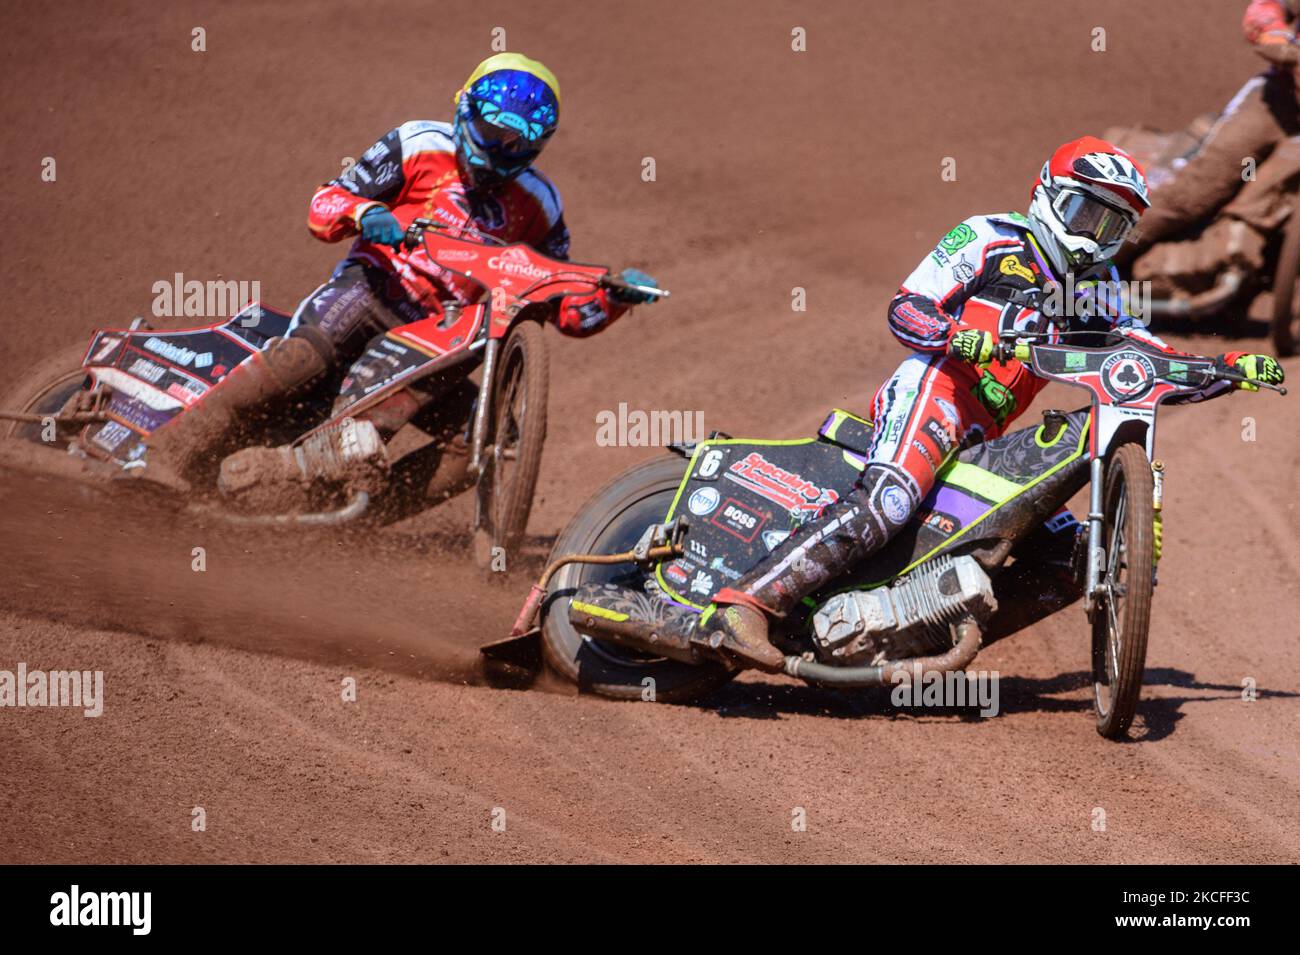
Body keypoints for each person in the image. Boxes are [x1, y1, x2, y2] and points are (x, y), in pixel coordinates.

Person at [580, 136, 1286, 671]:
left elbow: (1137, 355)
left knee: (1065, 552)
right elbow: (906, 308)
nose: (1094, 236)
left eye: (1113, 228)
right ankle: (742, 605)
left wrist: (1227, 366)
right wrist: (961, 338)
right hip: (936, 391)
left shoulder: (1097, 288)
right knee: (890, 500)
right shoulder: (986, 238)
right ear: (1048, 195)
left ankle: (908, 631)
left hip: (985, 431)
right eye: (1085, 214)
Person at [128, 52, 657, 492]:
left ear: (538, 146)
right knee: (303, 357)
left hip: (442, 340)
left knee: (493, 438)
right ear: (464, 108)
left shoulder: (540, 204)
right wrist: (365, 213)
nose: (498, 155)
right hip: (372, 291)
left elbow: (562, 303)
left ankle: (357, 526)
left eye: (516, 147)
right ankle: (164, 453)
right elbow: (325, 204)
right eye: (490, 134)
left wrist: (615, 297)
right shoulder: (417, 144)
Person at [1119, 0, 1300, 278]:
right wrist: (1277, 35)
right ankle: (1093, 264)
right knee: (1191, 194)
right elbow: (1266, 8)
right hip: (1278, 105)